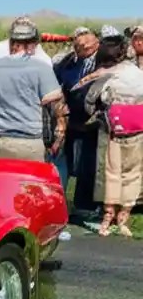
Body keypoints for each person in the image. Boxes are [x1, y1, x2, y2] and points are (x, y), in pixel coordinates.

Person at [0, 19, 66, 161]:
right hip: (30, 142)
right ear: (32, 44)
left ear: (11, 42)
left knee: (3, 183)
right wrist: (57, 137)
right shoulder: (41, 67)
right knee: (29, 183)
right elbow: (55, 105)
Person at [82, 35, 143, 236]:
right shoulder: (137, 73)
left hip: (111, 130)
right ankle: (123, 219)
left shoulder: (105, 74)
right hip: (137, 128)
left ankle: (106, 219)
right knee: (132, 174)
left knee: (111, 173)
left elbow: (89, 101)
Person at [53, 28, 100, 217]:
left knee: (88, 165)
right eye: (79, 45)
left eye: (86, 45)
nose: (83, 48)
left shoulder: (103, 60)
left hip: (93, 122)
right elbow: (60, 83)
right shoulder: (68, 62)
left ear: (96, 43)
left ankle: (85, 205)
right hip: (70, 119)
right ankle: (66, 204)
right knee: (71, 163)